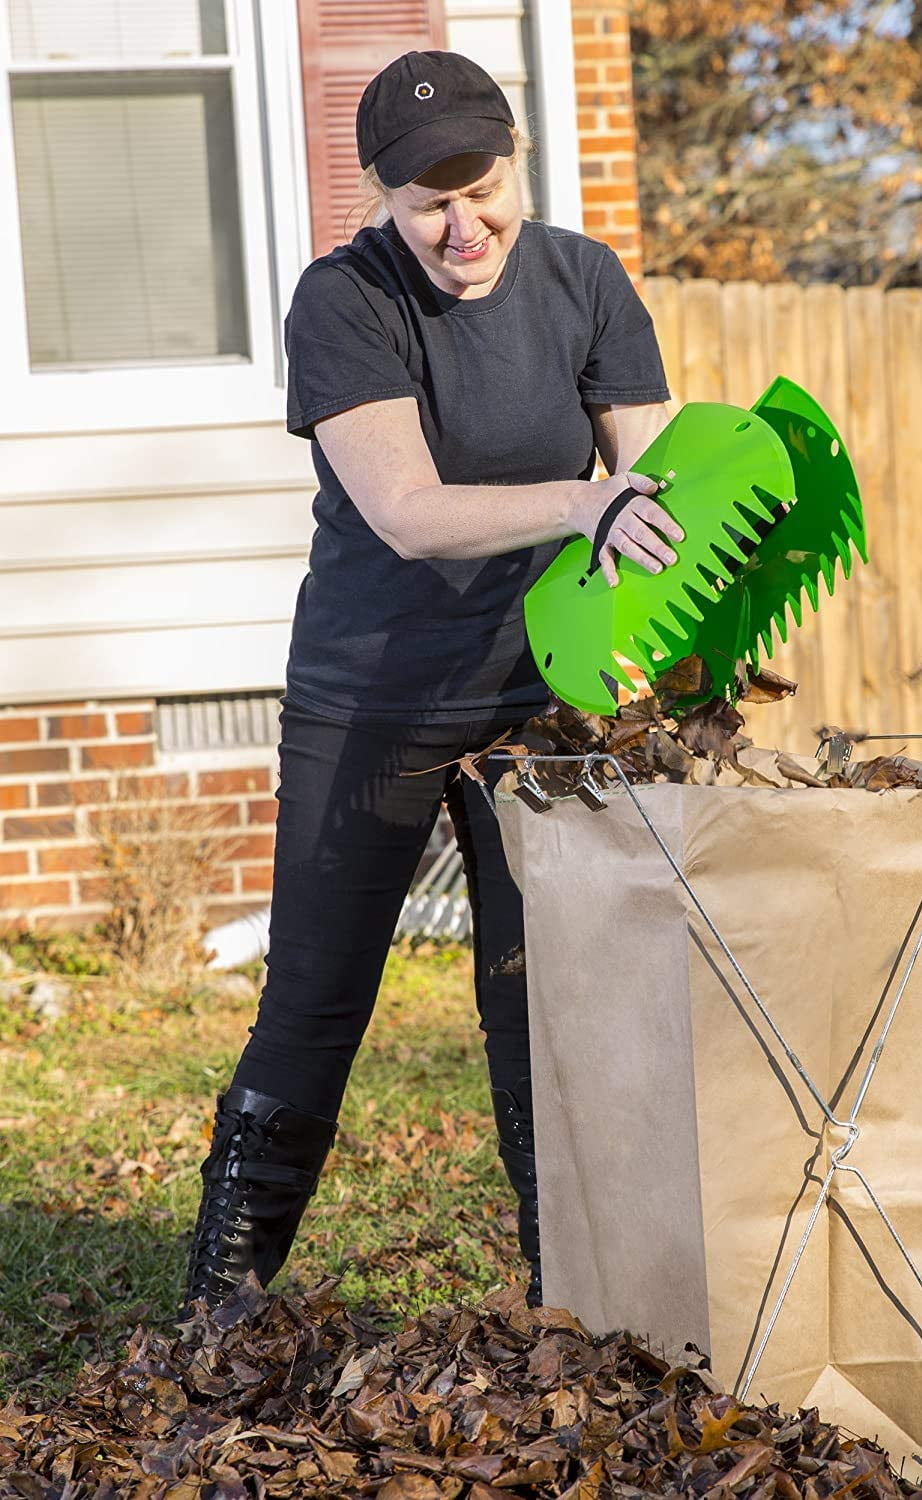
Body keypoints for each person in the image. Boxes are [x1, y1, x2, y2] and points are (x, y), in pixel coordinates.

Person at [181, 50, 682, 1315]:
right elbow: (406, 511)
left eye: (482, 189)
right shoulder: (343, 300)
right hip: (370, 699)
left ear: (519, 162)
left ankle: (575, 1300)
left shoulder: (586, 280)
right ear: (385, 200)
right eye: (428, 204)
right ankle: (219, 1308)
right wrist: (583, 504)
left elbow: (654, 483)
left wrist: (684, 557)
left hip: (540, 700)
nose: (464, 227)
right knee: (315, 1000)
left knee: (542, 1005)